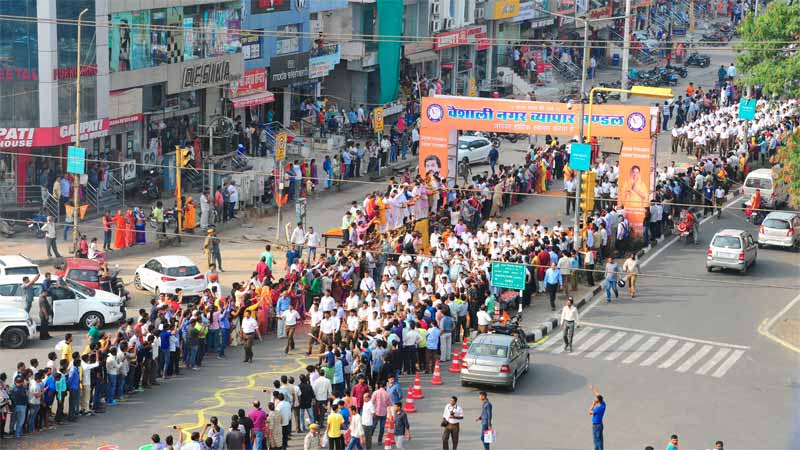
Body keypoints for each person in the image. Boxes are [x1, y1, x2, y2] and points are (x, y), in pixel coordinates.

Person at [588, 385, 606, 450]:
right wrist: (592, 388)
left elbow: (589, 412)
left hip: (596, 426)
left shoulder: (597, 409)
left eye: (596, 399)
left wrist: (593, 404)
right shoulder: (603, 404)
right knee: (600, 440)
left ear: (598, 401)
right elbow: (598, 394)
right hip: (600, 425)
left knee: (596, 440)